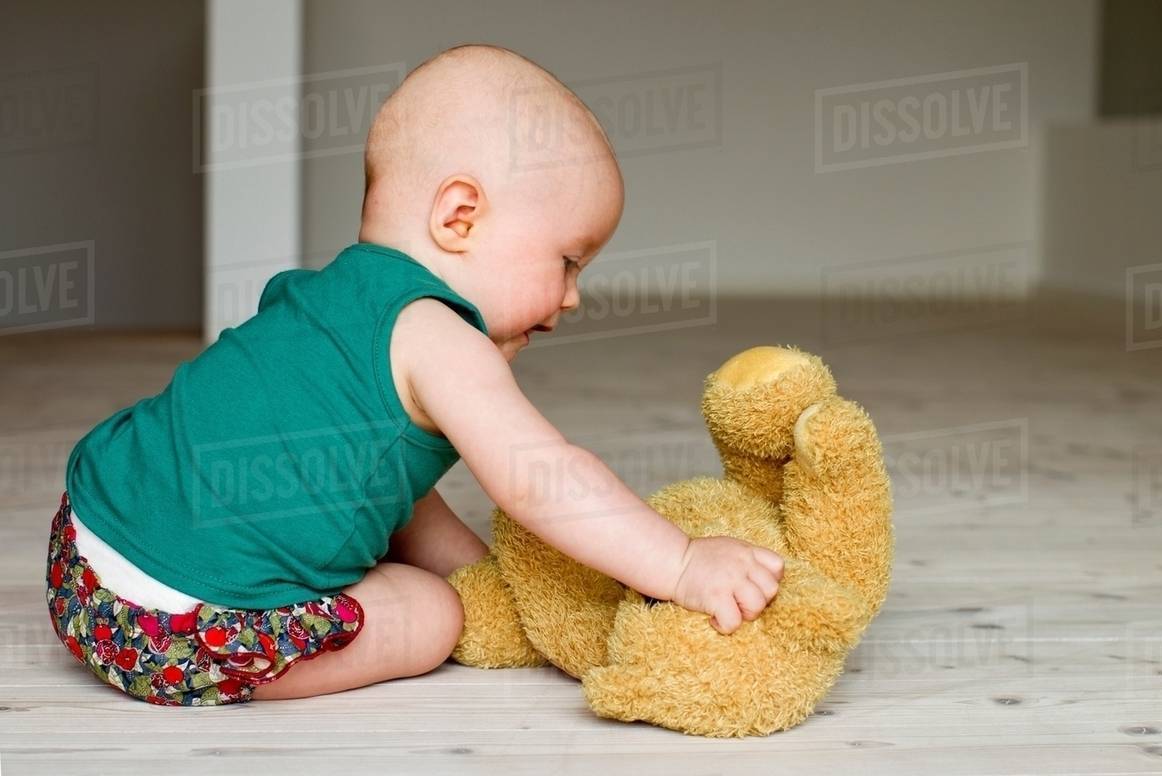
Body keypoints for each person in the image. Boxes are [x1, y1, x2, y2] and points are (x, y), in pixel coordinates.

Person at [47, 43, 783, 707]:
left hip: (82, 557)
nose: (571, 298)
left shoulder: (324, 294)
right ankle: (263, 667)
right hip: (176, 633)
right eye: (567, 262)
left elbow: (385, 484)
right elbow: (542, 478)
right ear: (460, 217)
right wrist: (681, 564)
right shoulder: (441, 340)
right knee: (433, 615)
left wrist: (486, 574)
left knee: (409, 546)